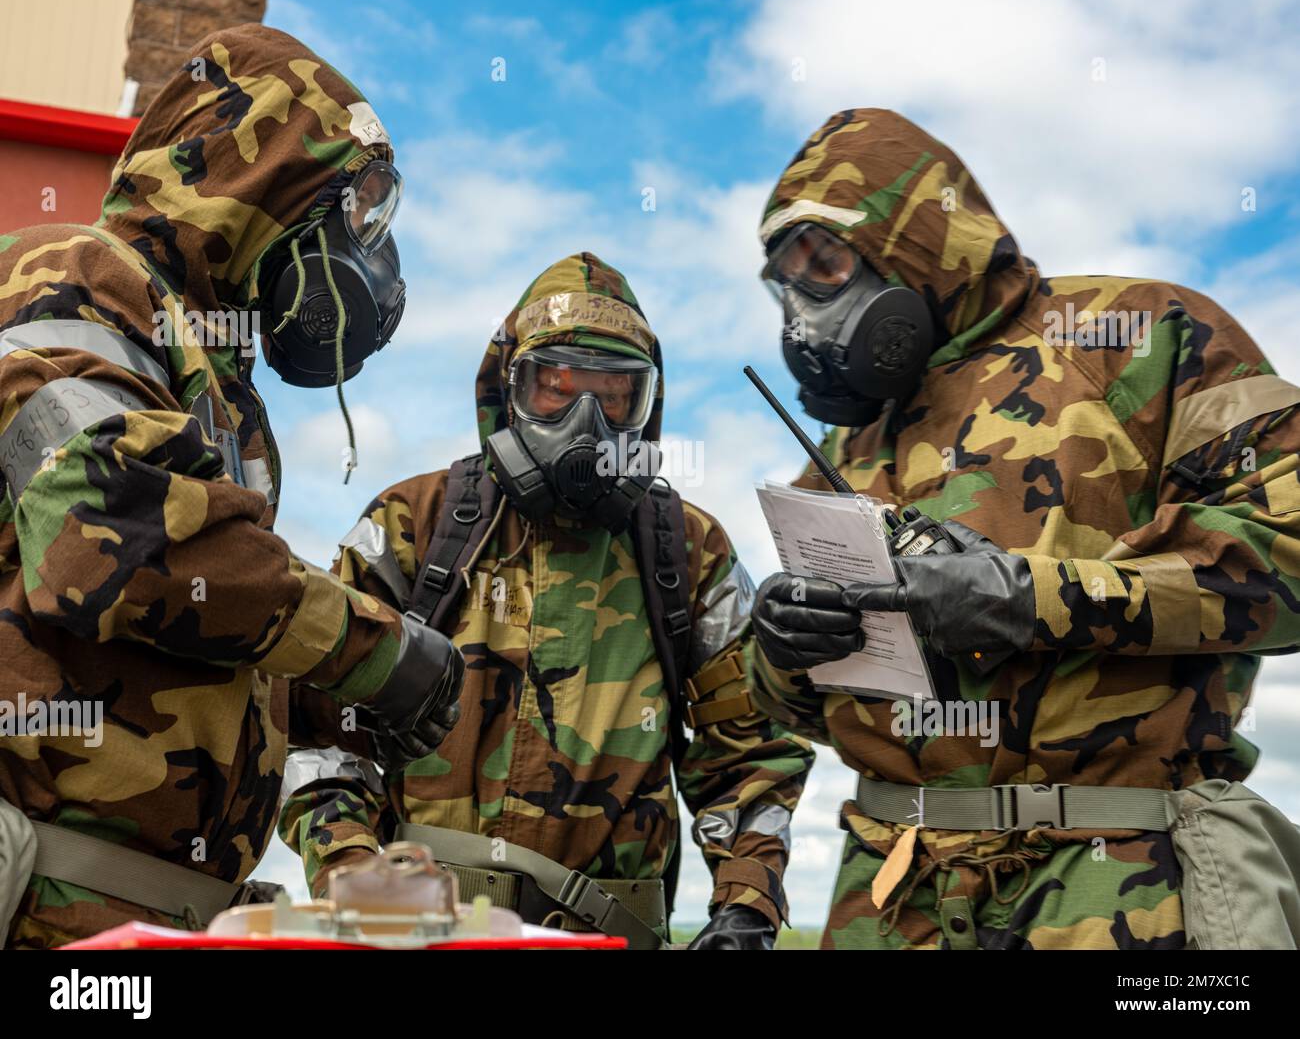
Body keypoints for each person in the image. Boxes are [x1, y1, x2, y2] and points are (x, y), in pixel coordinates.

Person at [749, 108, 1300, 949]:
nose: (801, 310)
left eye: (823, 264)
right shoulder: (843, 450)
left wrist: (1024, 597)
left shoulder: (1142, 336)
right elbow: (793, 714)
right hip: (892, 895)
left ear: (919, 241)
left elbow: (1289, 563)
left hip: (1118, 881)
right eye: (784, 283)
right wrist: (783, 652)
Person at [0, 25, 462, 949]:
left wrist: (344, 707)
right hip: (48, 902)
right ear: (266, 181)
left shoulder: (213, 378)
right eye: (357, 207)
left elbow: (200, 628)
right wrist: (377, 650)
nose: (366, 248)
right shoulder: (75, 275)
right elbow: (110, 536)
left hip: (148, 911)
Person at [279, 252, 815, 949]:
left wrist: (746, 907)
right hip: (416, 935)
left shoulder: (686, 548)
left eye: (615, 396)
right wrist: (353, 872)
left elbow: (751, 750)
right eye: (556, 387)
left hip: (611, 935)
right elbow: (315, 725)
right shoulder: (413, 524)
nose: (585, 421)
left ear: (644, 410)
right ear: (508, 390)